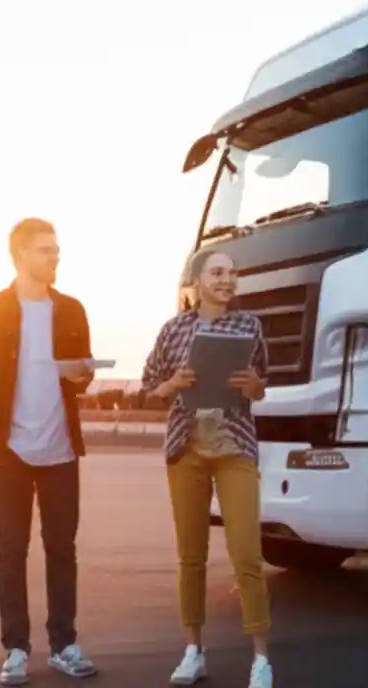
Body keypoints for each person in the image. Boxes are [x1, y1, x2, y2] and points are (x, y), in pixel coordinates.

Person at [0, 217, 99, 686]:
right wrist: (7, 422)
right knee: (12, 551)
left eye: (57, 249)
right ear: (20, 254)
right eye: (45, 250)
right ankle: (15, 650)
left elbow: (83, 376)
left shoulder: (73, 310)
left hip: (61, 450)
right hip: (11, 453)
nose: (55, 256)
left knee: (62, 549)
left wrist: (82, 376)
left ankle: (64, 645)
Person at [141, 248, 274, 688]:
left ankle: (261, 660)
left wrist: (256, 387)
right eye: (217, 272)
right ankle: (193, 651)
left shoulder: (249, 327)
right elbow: (149, 392)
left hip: (234, 444)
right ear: (197, 281)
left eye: (233, 273)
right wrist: (172, 384)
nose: (227, 280)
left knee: (246, 555)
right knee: (191, 556)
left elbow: (260, 385)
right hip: (187, 449)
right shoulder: (173, 330)